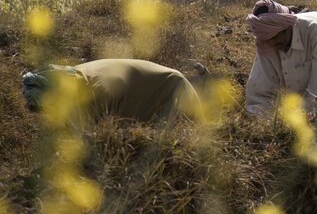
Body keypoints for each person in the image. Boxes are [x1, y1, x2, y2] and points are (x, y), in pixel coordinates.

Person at [22, 59, 200, 124]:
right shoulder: (78, 76)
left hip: (174, 93)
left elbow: (97, 143)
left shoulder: (96, 92)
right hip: (165, 87)